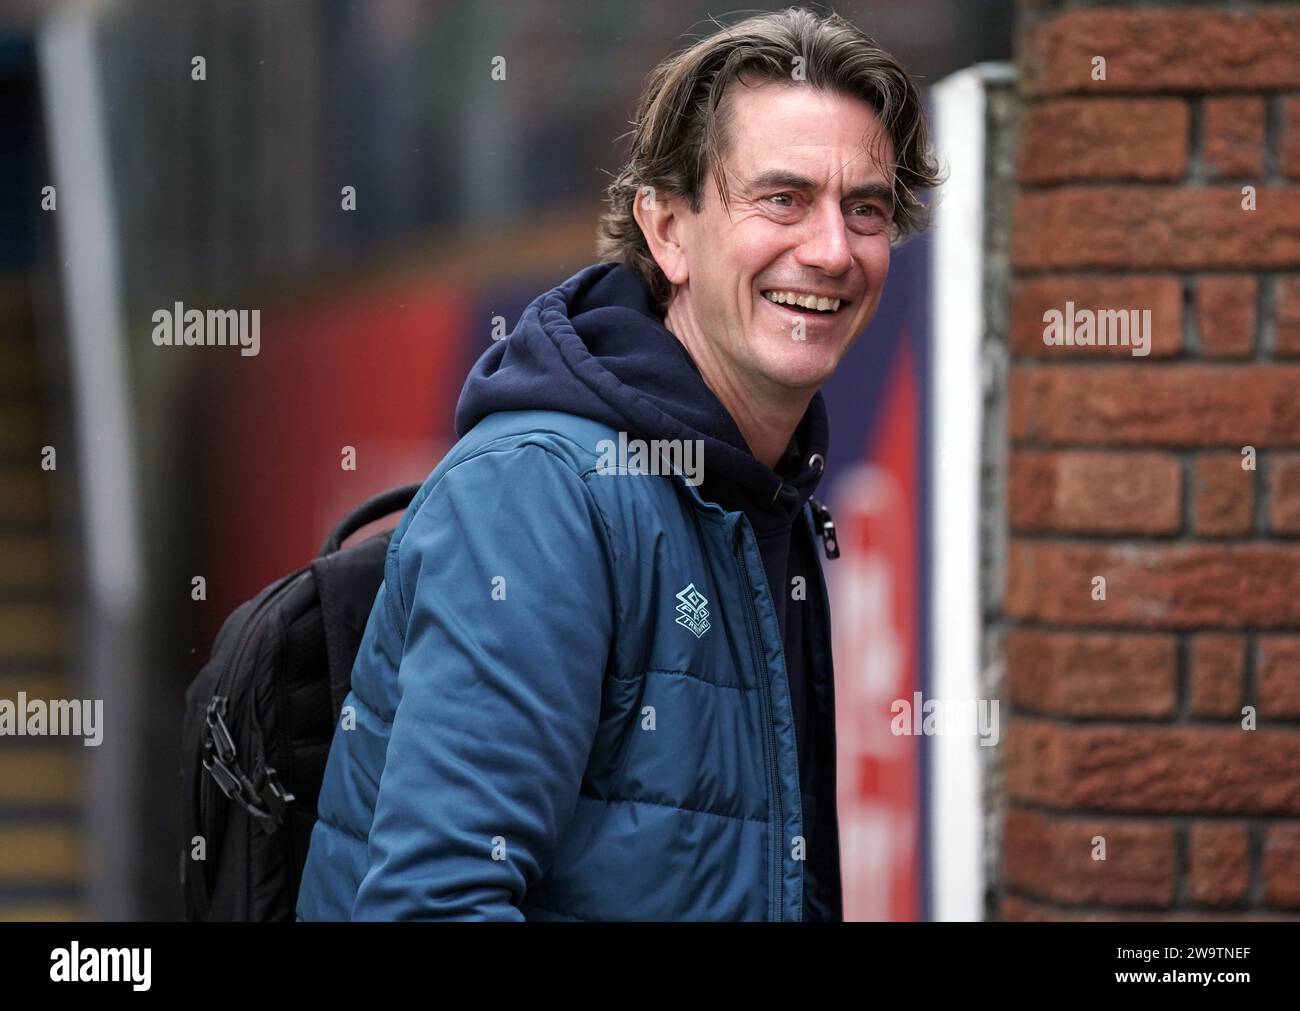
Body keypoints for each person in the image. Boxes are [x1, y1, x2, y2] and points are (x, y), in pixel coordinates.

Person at [295, 6, 941, 921]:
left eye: (865, 209)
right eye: (782, 199)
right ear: (667, 229)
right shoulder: (540, 495)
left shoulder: (759, 490)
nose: (832, 250)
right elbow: (433, 906)